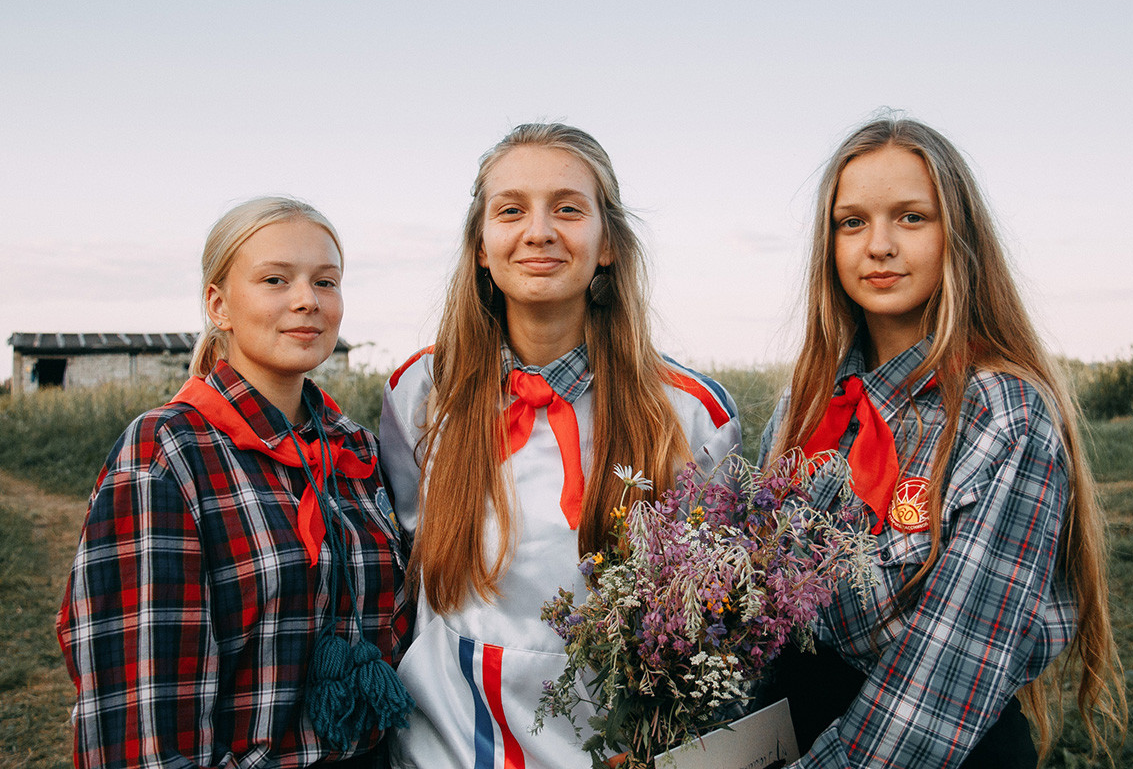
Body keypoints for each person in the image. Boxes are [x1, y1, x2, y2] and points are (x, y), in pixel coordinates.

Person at [760, 116, 1126, 768]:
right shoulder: (806, 405)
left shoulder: (1004, 415)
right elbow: (760, 615)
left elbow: (944, 683)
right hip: (797, 732)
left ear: (958, 235)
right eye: (852, 222)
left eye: (911, 218)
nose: (878, 246)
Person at [380, 123, 741, 769]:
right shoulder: (421, 393)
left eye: (568, 208)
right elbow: (405, 585)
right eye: (511, 209)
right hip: (443, 753)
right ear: (482, 248)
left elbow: (715, 629)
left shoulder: (688, 413)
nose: (539, 231)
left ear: (606, 244)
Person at [58, 197, 412, 769]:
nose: (307, 300)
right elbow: (142, 719)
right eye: (276, 279)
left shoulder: (355, 448)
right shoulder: (168, 452)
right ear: (219, 305)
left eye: (326, 281)